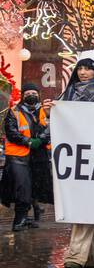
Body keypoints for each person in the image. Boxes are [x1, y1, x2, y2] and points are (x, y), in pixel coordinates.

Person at [56, 57, 94, 268]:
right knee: (86, 201)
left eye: (88, 69)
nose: (82, 72)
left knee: (84, 202)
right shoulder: (70, 91)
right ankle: (91, 256)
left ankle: (76, 255)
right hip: (74, 152)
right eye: (80, 68)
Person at [2, 83, 50, 232]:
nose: (31, 95)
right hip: (18, 157)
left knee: (35, 187)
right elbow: (11, 132)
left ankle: (29, 217)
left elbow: (50, 128)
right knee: (22, 187)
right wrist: (28, 141)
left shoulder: (44, 111)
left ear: (38, 95)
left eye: (34, 93)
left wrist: (40, 139)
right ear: (23, 96)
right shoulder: (14, 112)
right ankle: (19, 221)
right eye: (28, 93)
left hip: (38, 156)